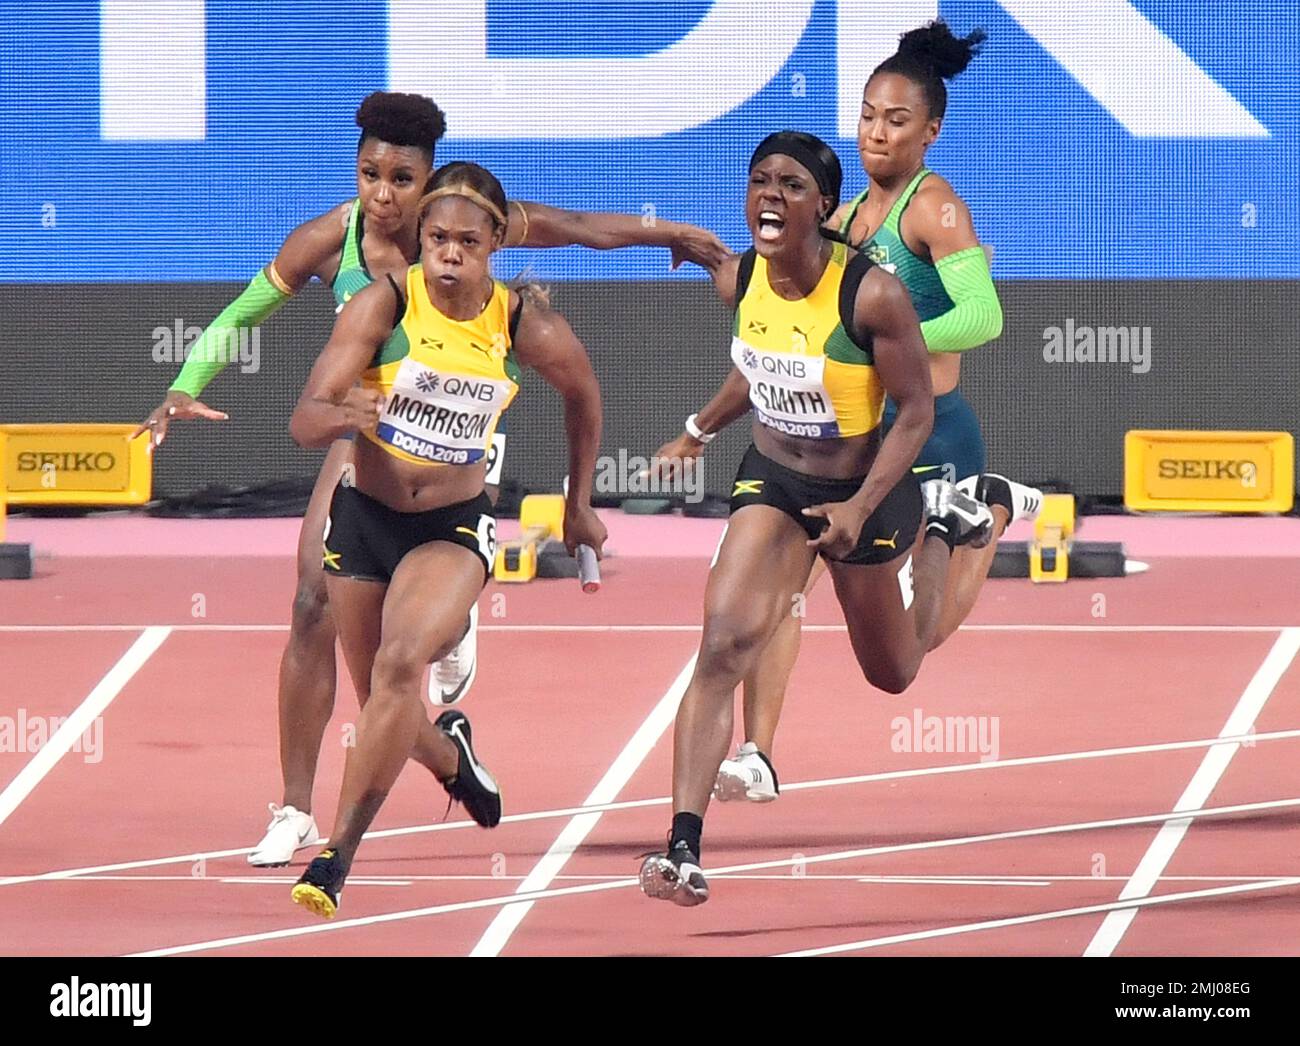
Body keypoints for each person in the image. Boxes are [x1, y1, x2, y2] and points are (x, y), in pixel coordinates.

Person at [133, 92, 729, 867]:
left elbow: (578, 230)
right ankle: (295, 807)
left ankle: (451, 605)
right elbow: (244, 311)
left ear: (430, 183)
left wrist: (668, 234)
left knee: (401, 638)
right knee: (312, 600)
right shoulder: (329, 240)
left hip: (457, 443)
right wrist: (186, 382)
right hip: (367, 427)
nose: (384, 194)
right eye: (370, 174)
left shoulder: (462, 221)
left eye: (402, 179)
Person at [654, 21, 1041, 805]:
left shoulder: (934, 210)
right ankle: (759, 751)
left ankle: (984, 513)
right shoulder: (846, 213)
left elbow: (986, 316)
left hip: (928, 431)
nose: (876, 131)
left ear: (931, 130)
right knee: (780, 579)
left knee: (905, 653)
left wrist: (884, 337)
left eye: (896, 120)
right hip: (850, 436)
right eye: (867, 114)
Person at [639, 130, 1001, 906]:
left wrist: (863, 506)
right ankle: (682, 846)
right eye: (760, 179)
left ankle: (948, 527)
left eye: (792, 185)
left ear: (824, 207)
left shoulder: (871, 295)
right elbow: (758, 368)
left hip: (863, 487)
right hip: (772, 479)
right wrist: (696, 432)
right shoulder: (740, 281)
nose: (771, 194)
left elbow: (915, 411)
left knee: (895, 671)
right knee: (723, 641)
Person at [289, 162, 606, 918]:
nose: (450, 255)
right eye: (437, 239)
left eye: (468, 240)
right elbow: (304, 420)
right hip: (364, 521)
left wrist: (578, 501)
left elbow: (585, 395)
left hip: (451, 528)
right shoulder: (380, 306)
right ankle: (450, 756)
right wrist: (348, 415)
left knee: (401, 667)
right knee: (383, 711)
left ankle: (337, 855)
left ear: (496, 241)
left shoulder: (520, 321)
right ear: (421, 241)